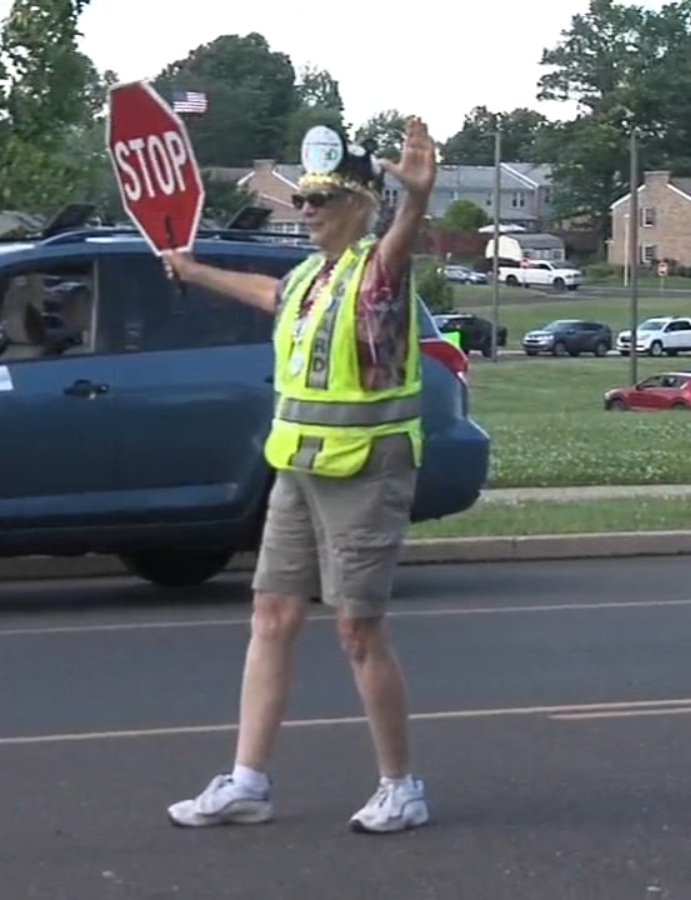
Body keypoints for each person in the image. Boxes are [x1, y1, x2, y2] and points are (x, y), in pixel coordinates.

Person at [161, 117, 437, 834]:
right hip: (298, 466)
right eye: (302, 199)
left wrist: (415, 199)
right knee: (272, 615)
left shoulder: (377, 271)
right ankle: (247, 781)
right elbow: (263, 293)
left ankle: (401, 786)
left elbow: (401, 248)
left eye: (320, 199)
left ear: (356, 207)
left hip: (367, 471)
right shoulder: (310, 276)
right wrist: (191, 269)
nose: (304, 210)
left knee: (357, 629)